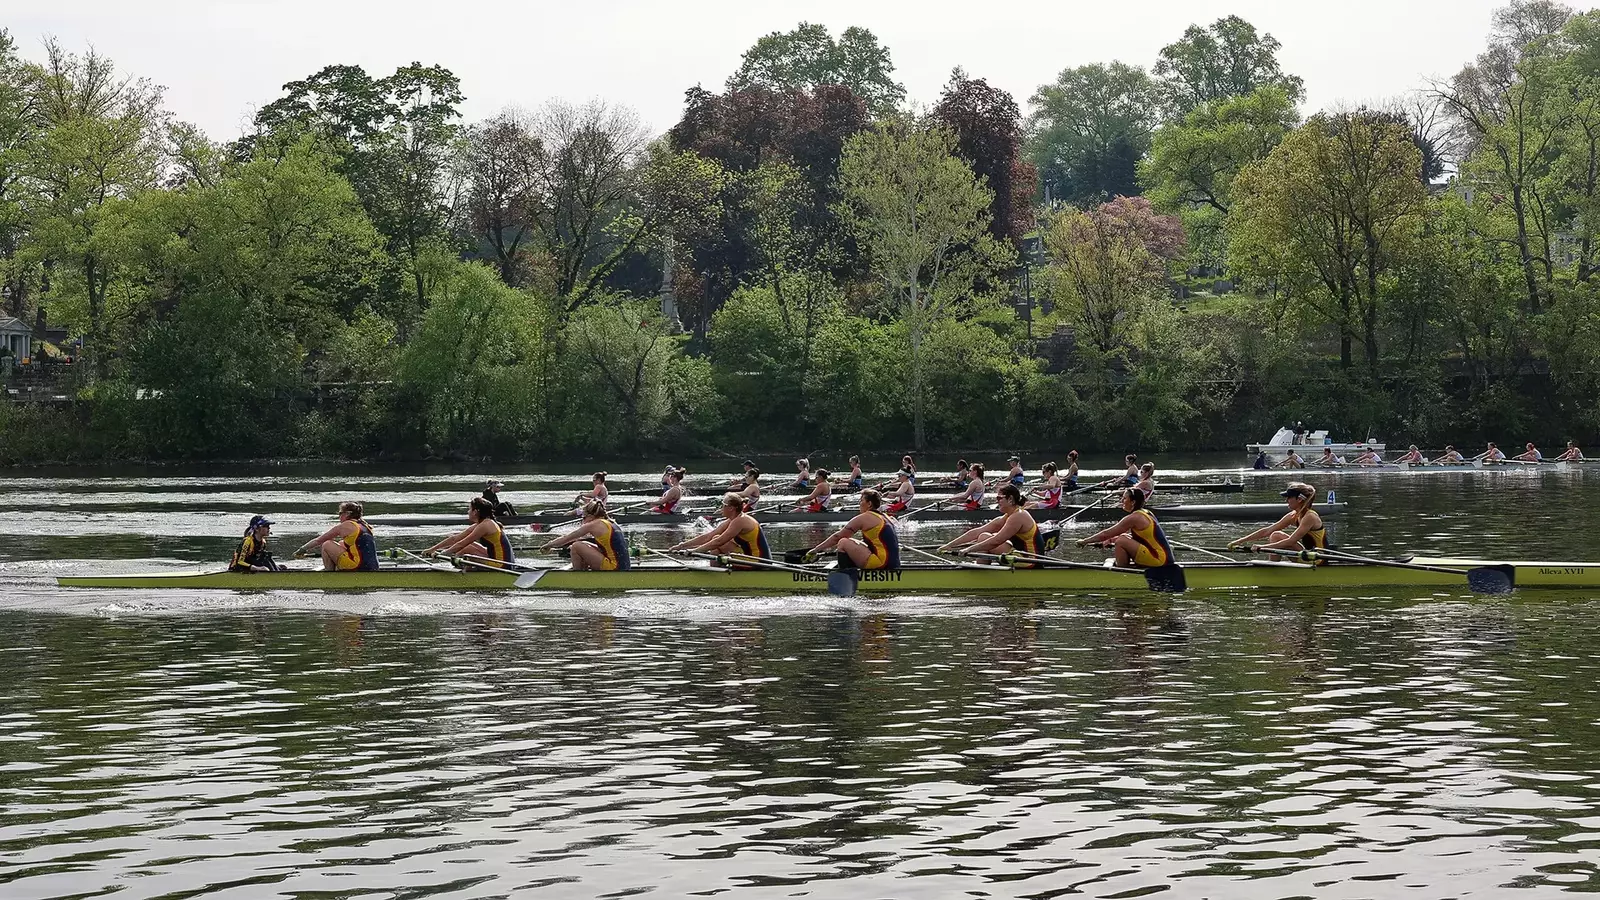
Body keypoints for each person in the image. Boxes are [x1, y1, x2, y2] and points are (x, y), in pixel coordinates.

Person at [940, 484, 1043, 566]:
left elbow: (996, 541)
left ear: (1010, 499)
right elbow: (977, 532)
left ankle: (980, 574)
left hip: (1030, 561)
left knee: (985, 538)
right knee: (983, 535)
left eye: (999, 498)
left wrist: (969, 549)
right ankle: (981, 568)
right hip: (1020, 555)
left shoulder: (1018, 516)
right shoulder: (1009, 516)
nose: (996, 501)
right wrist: (949, 545)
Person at [1076, 487, 1174, 569]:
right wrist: (1108, 541)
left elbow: (1106, 533)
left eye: (1124, 498)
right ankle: (1125, 566)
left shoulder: (1135, 517)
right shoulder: (1146, 513)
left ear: (1133, 502)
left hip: (1159, 560)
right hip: (1164, 558)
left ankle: (1122, 571)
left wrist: (1085, 541)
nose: (1121, 501)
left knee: (1121, 540)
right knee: (1123, 536)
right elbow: (1139, 537)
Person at [1229, 482, 1327, 563]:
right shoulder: (1294, 515)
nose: (1286, 500)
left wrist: (1262, 547)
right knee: (1276, 535)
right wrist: (1239, 541)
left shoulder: (1310, 517)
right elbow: (1266, 531)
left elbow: (1290, 541)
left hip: (1317, 559)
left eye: (1289, 497)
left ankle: (1272, 572)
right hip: (1307, 554)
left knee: (1277, 537)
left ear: (1299, 499)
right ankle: (1273, 566)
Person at [808, 489, 900, 571]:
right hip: (893, 563)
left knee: (843, 542)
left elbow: (837, 537)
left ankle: (845, 578)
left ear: (869, 504)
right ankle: (852, 572)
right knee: (852, 542)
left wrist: (816, 550)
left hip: (881, 563)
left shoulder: (865, 517)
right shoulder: (885, 517)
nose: (859, 503)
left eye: (861, 500)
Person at [673, 492, 771, 562]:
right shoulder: (734, 519)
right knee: (714, 539)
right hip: (751, 556)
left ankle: (716, 577)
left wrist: (693, 551)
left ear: (731, 508)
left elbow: (719, 541)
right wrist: (682, 545)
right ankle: (715, 573)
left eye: (723, 505)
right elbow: (709, 536)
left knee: (717, 542)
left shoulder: (740, 521)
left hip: (759, 561)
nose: (720, 508)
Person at [425, 497, 516, 567]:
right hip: (498, 559)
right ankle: (459, 567)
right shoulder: (483, 523)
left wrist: (442, 554)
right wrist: (432, 549)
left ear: (475, 512)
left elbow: (462, 543)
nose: (468, 511)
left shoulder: (485, 525)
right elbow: (455, 539)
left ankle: (462, 573)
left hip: (502, 564)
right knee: (468, 548)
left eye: (469, 509)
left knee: (467, 554)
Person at [544, 499, 630, 571]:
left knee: (576, 546)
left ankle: (578, 577)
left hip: (614, 567)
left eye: (584, 518)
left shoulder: (593, 524)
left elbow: (567, 538)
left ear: (591, 516)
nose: (583, 521)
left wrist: (549, 545)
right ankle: (583, 572)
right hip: (624, 566)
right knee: (581, 545)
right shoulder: (611, 522)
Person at [297, 501, 379, 572]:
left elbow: (318, 541)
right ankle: (338, 569)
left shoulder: (346, 525)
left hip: (357, 566)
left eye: (340, 513)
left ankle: (329, 575)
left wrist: (302, 550)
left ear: (347, 514)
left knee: (327, 544)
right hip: (373, 567)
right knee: (342, 543)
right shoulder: (365, 525)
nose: (339, 516)